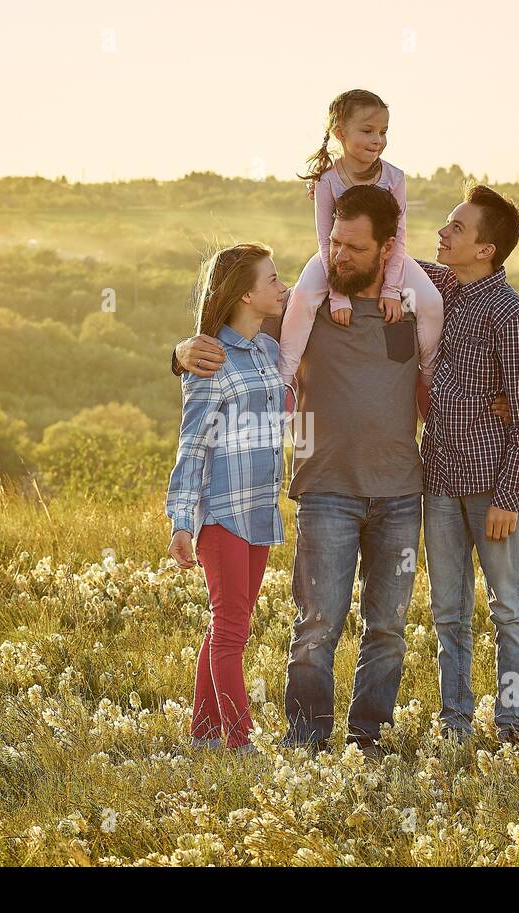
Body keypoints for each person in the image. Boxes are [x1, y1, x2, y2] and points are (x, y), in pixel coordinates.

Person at [415, 184, 519, 747]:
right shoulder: (444, 285)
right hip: (439, 480)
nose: (443, 234)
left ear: (486, 249)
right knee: (448, 612)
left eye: (456, 228)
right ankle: (456, 725)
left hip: (491, 485)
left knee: (509, 611)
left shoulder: (511, 313)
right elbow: (395, 258)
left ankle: (513, 728)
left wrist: (508, 497)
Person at [165, 242, 289, 753]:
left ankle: (204, 736)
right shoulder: (212, 357)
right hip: (221, 513)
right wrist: (181, 521)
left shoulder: (268, 351)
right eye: (273, 280)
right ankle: (240, 744)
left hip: (261, 506)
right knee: (233, 631)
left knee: (227, 626)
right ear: (245, 294)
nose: (282, 288)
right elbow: (191, 445)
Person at [277, 89, 443, 389]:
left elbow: (399, 235)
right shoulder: (327, 180)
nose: (377, 139)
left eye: (383, 132)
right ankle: (285, 380)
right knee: (302, 298)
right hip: (333, 255)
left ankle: (428, 377)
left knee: (431, 301)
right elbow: (326, 239)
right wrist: (338, 294)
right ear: (340, 132)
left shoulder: (395, 177)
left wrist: (392, 289)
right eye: (367, 131)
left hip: (389, 255)